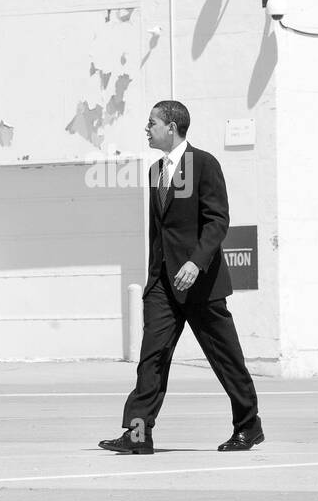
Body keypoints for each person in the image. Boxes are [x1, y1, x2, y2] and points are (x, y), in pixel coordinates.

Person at [99, 101, 264, 453]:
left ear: (171, 127)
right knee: (152, 358)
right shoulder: (155, 169)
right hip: (163, 285)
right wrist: (152, 280)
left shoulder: (203, 164)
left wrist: (196, 262)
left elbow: (218, 220)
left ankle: (248, 426)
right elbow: (159, 232)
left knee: (226, 359)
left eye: (152, 123)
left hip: (201, 283)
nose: (147, 129)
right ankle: (138, 434)